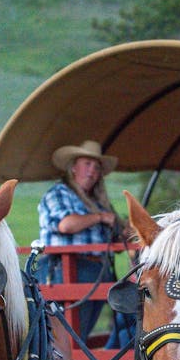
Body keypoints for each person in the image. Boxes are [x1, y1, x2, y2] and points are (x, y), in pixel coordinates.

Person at [37, 139, 124, 340]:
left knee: (78, 334)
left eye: (96, 167)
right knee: (66, 336)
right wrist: (101, 218)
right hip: (67, 268)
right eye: (87, 164)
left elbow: (116, 242)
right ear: (74, 167)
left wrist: (123, 230)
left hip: (96, 271)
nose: (91, 171)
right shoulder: (59, 193)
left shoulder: (98, 201)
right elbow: (66, 225)